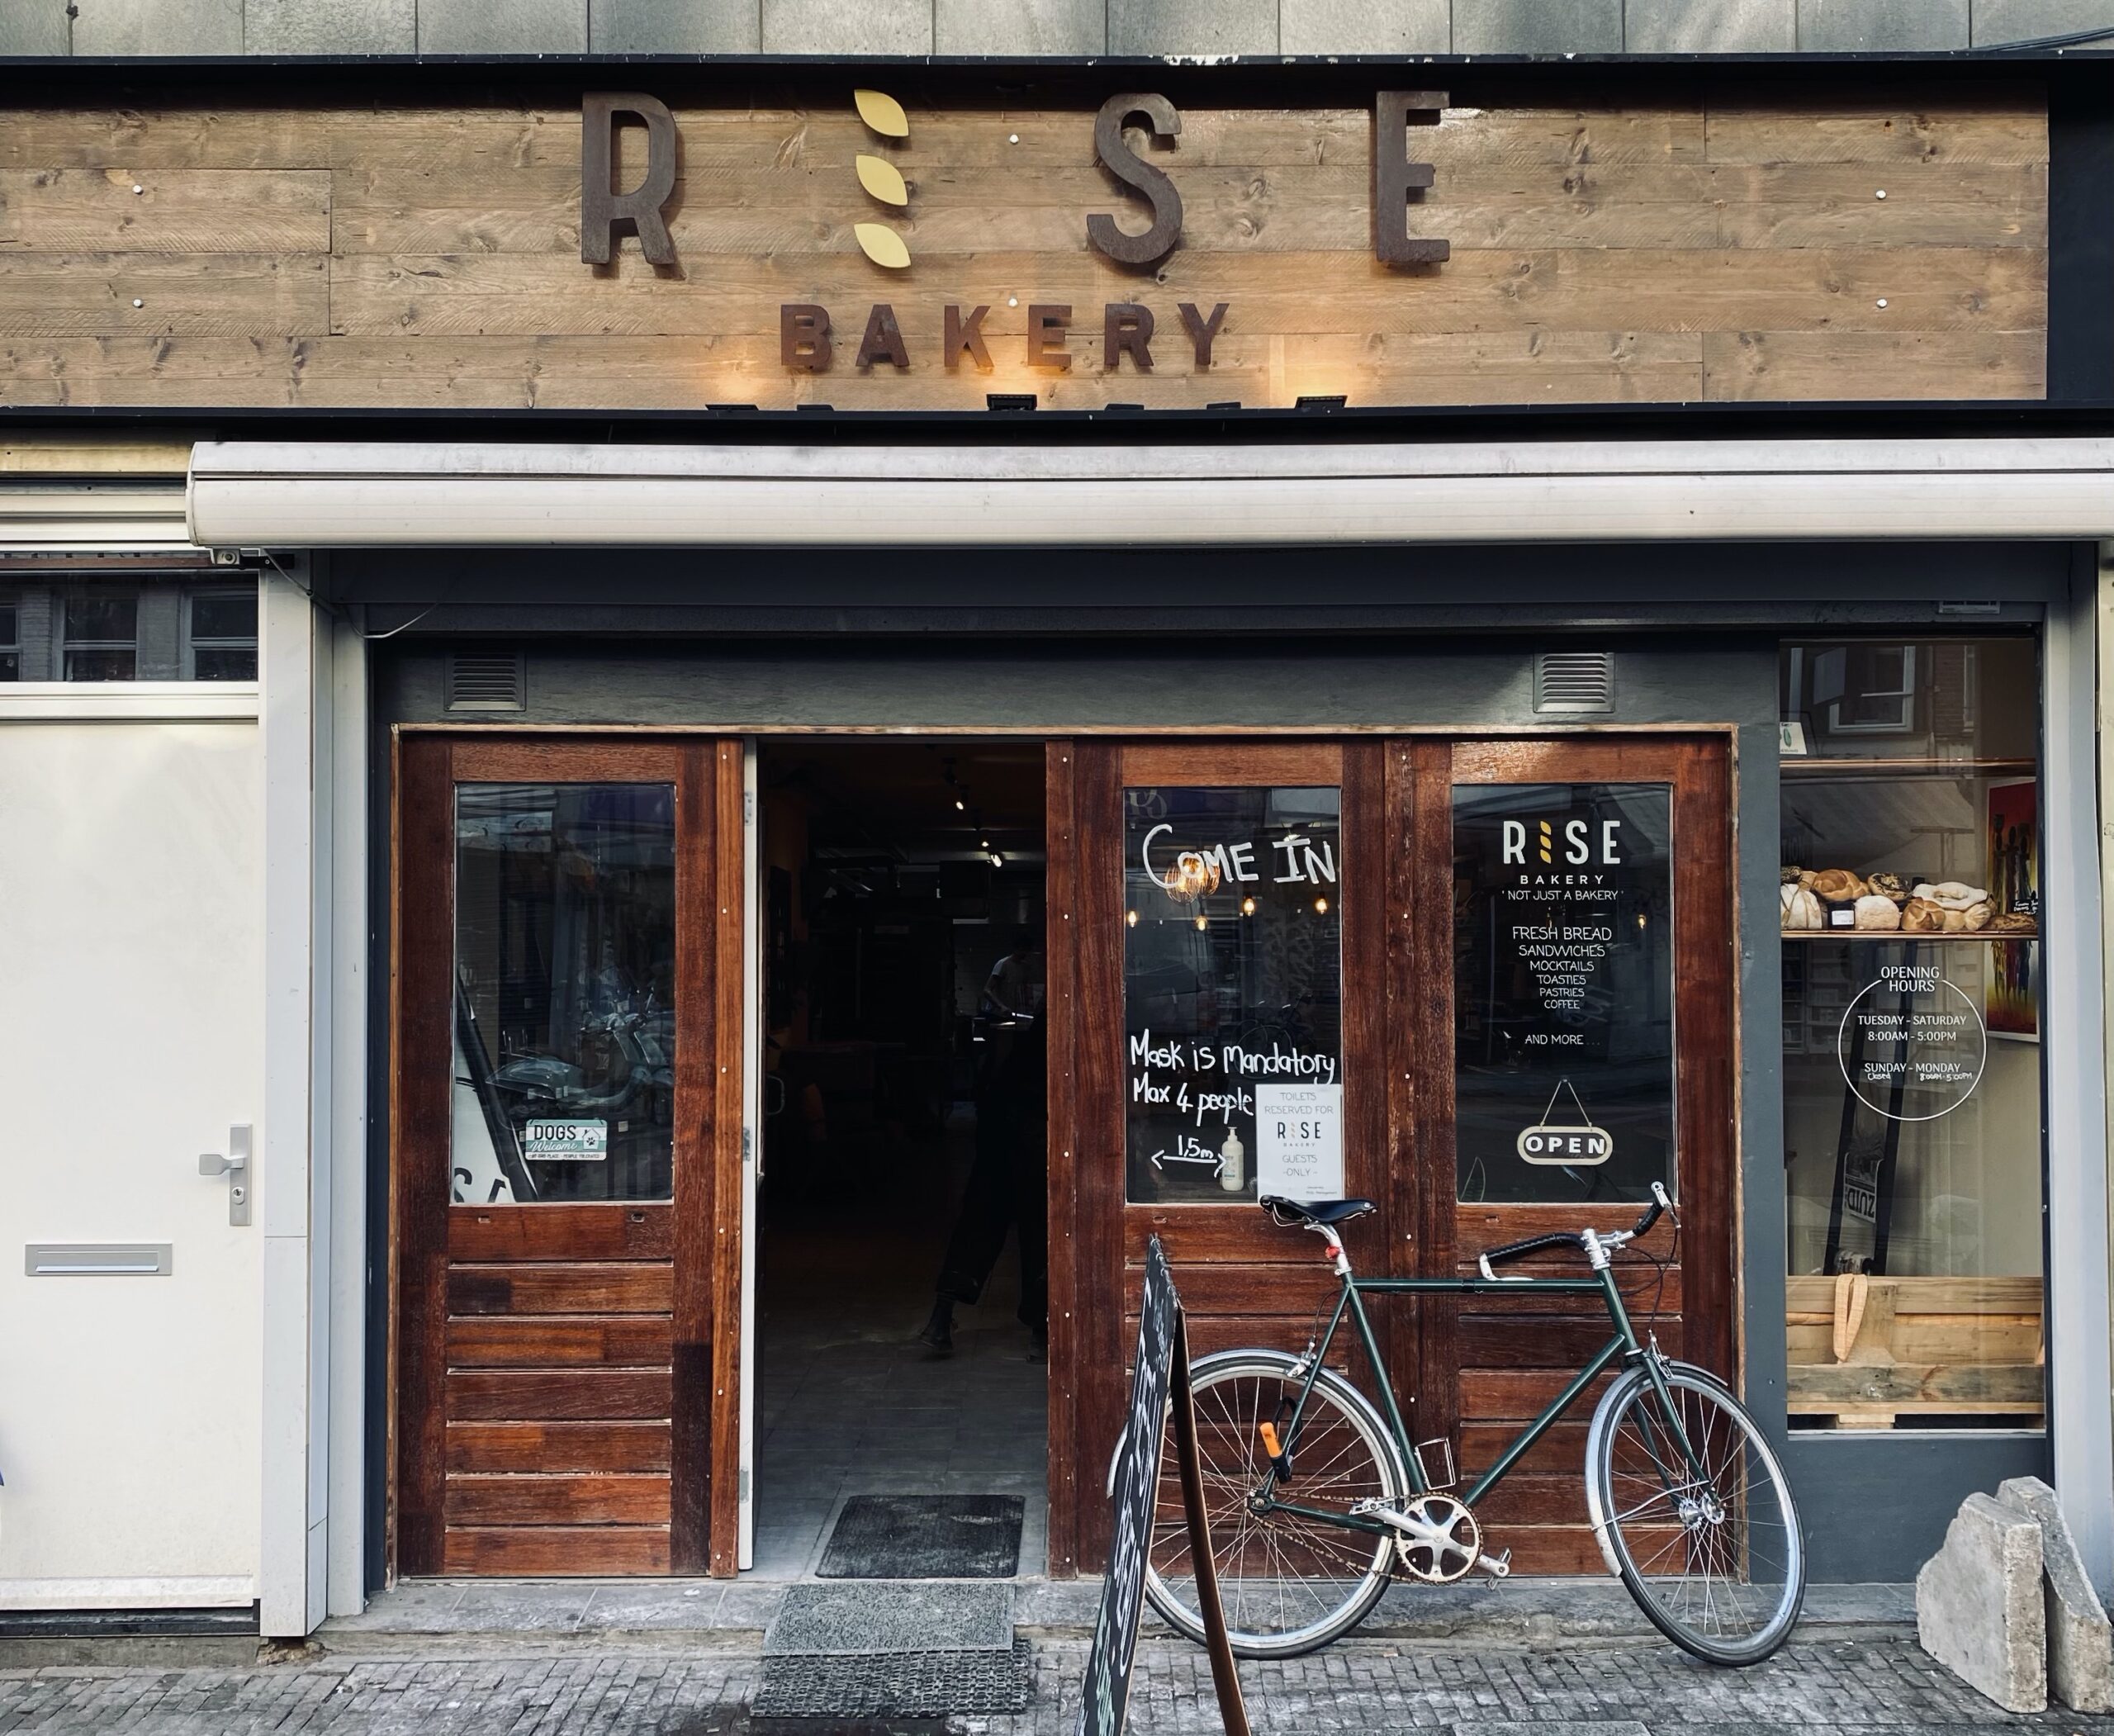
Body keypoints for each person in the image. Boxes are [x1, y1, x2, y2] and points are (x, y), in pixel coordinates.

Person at [918, 941, 1047, 1358]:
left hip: (998, 1130)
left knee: (978, 1224)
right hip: (1033, 1133)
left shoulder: (1013, 1045)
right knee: (1038, 1231)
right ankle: (1041, 1332)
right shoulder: (1050, 1022)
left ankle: (941, 1319)